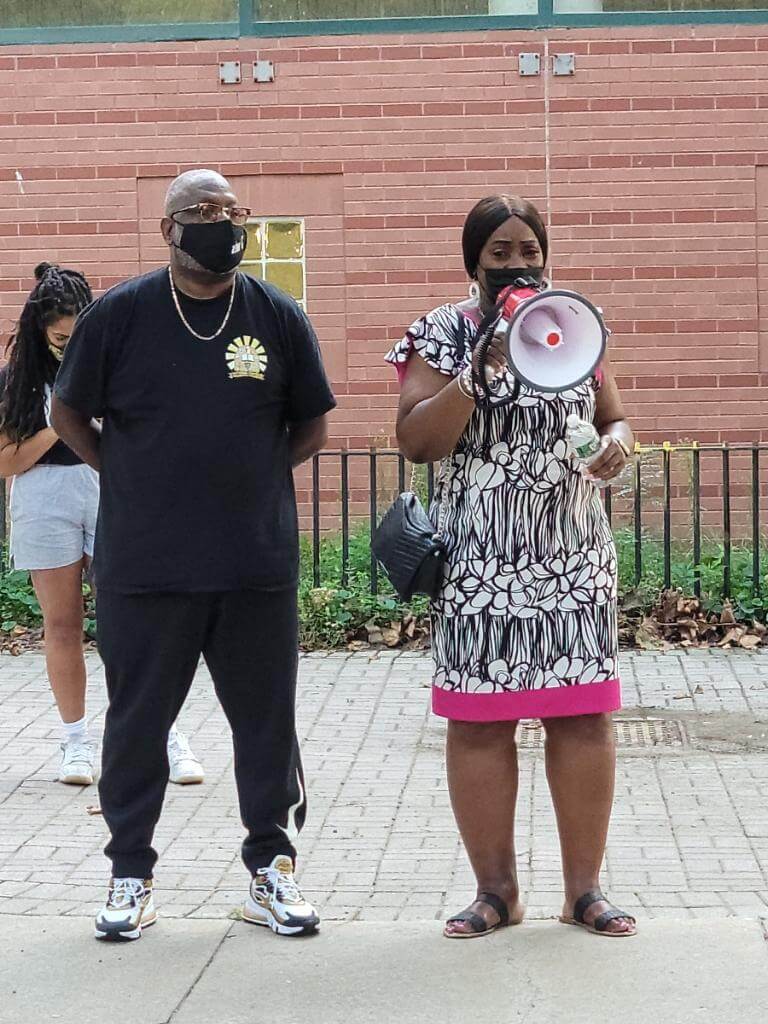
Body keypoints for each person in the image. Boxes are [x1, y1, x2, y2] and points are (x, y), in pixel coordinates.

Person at [52, 169, 335, 942]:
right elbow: (67, 410)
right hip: (146, 566)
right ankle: (130, 874)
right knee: (138, 727)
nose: (219, 224)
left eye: (229, 211)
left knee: (267, 726)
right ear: (169, 228)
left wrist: (255, 475)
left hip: (254, 563)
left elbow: (309, 423)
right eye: (201, 212)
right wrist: (126, 471)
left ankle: (271, 871)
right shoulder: (118, 315)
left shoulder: (276, 314)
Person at [386, 194, 637, 939]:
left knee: (584, 715)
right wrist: (479, 367)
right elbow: (416, 441)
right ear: (473, 262)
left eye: (529, 250)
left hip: (573, 559)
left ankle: (583, 892)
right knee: (479, 725)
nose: (517, 264)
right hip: (480, 565)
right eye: (500, 253)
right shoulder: (440, 332)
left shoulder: (575, 325)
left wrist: (618, 442)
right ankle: (497, 893)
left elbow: (615, 413)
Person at [0, 263, 203, 788]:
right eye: (57, 338)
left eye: (75, 335)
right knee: (62, 623)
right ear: (38, 328)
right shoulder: (19, 379)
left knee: (133, 618)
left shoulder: (114, 361)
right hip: (44, 494)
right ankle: (75, 744)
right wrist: (57, 421)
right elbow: (6, 461)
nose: (67, 347)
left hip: (108, 487)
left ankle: (164, 734)